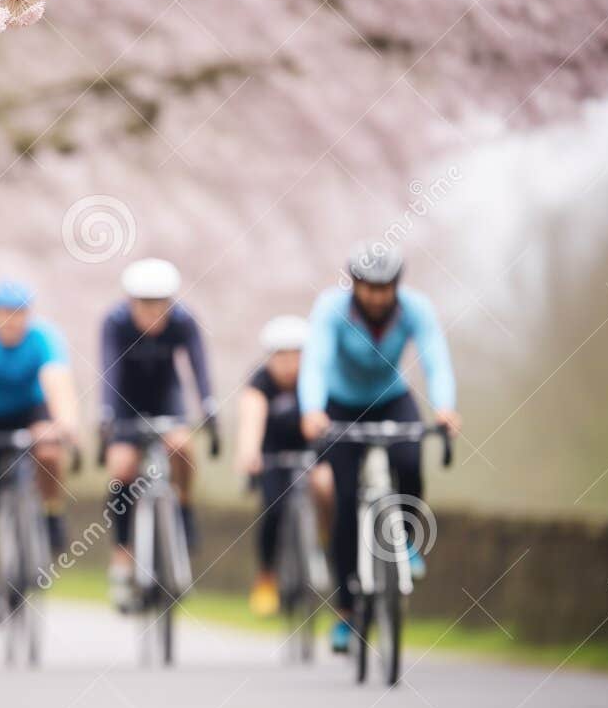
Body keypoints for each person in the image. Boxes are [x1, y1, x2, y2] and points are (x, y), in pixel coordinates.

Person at [299, 242, 461, 653]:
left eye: (384, 287)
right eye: (367, 287)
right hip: (339, 406)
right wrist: (312, 410)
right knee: (343, 500)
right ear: (354, 285)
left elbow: (435, 359)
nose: (375, 296)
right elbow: (314, 360)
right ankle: (346, 613)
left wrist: (444, 408)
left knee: (409, 459)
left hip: (391, 398)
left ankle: (404, 539)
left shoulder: (415, 309)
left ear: (396, 286)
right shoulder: (331, 308)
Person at [0, 280, 79, 627]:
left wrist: (65, 423)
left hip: (31, 410)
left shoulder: (44, 338)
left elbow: (58, 382)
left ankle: (52, 512)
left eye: (19, 314)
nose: (12, 321)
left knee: (50, 452)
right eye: (4, 314)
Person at [99, 258, 217, 613]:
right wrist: (107, 416)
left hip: (168, 398)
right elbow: (108, 370)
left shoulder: (183, 322)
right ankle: (122, 556)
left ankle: (183, 507)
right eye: (143, 304)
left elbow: (198, 365)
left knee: (181, 445)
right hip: (126, 402)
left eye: (159, 304)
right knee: (121, 469)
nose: (152, 313)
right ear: (130, 302)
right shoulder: (115, 323)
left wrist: (208, 404)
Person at [234, 315, 334, 616]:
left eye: (297, 355)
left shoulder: (319, 381)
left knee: (326, 486)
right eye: (281, 356)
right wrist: (248, 452)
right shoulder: (260, 382)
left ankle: (325, 541)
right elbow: (251, 421)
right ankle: (266, 576)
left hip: (313, 452)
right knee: (272, 508)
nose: (290, 364)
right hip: (273, 455)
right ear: (270, 358)